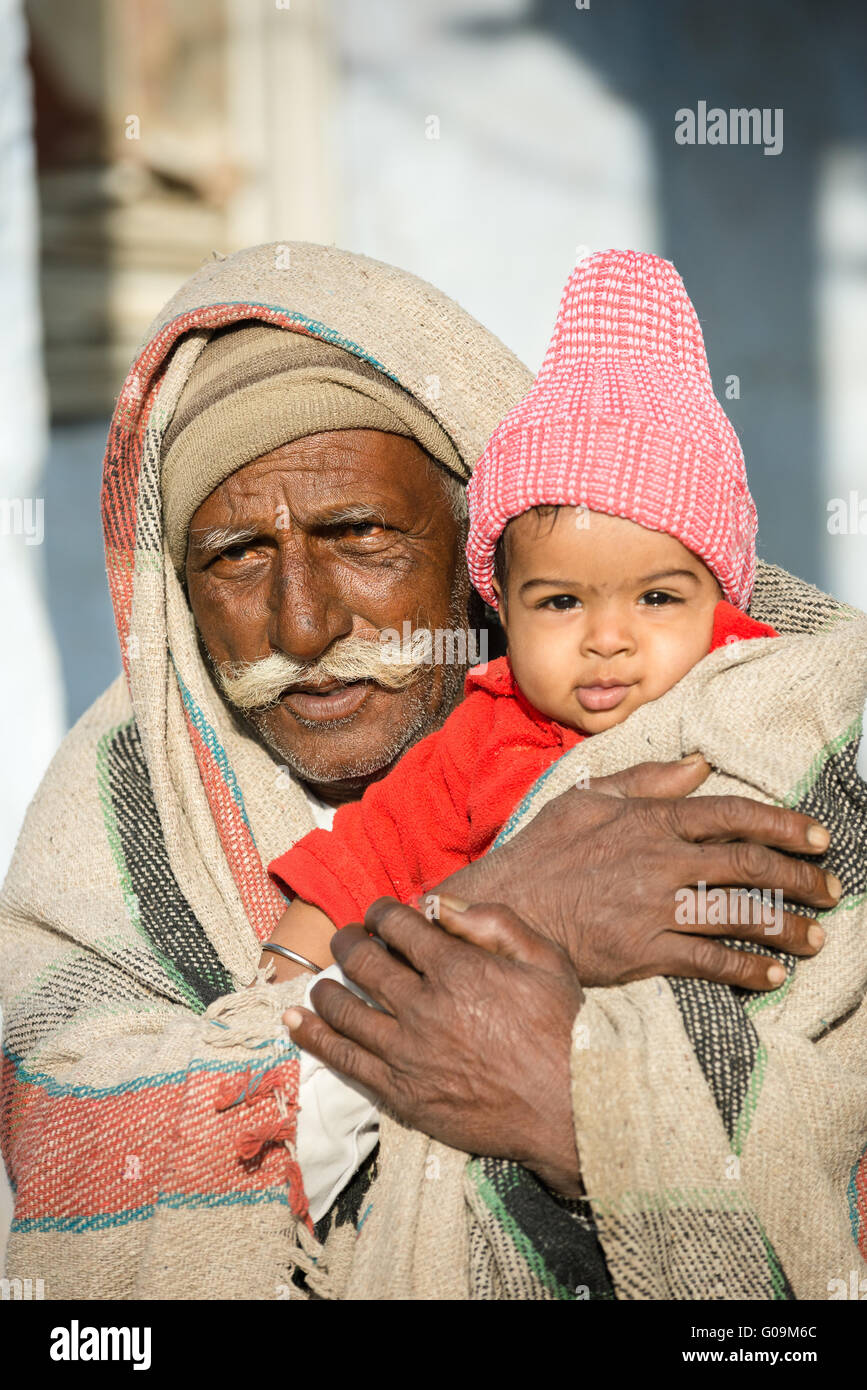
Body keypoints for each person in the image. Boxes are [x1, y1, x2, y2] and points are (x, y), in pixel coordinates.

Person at [0, 242, 843, 1301]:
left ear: (475, 555)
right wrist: (498, 912)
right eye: (237, 555)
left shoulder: (776, 713)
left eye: (360, 535)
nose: (303, 626)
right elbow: (87, 1192)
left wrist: (602, 1115)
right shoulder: (119, 820)